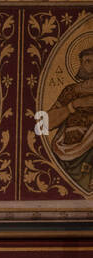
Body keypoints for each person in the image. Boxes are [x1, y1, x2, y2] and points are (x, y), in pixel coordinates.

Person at [45, 45, 93, 192]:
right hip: (68, 154)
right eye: (88, 61)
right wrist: (74, 105)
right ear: (81, 64)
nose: (92, 65)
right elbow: (43, 124)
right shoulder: (70, 91)